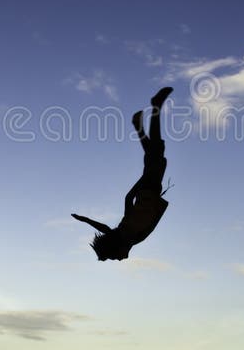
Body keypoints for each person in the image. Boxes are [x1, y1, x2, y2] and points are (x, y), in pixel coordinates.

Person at [72, 87, 173, 261]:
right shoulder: (126, 236)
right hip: (149, 189)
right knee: (154, 152)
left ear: (116, 248)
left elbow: (128, 200)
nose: (120, 259)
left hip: (148, 188)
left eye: (115, 257)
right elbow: (106, 229)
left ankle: (156, 106)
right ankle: (139, 125)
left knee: (156, 149)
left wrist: (144, 178)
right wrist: (86, 220)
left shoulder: (131, 236)